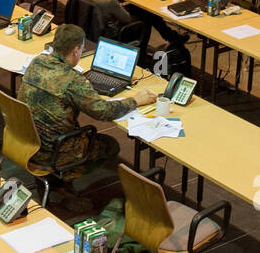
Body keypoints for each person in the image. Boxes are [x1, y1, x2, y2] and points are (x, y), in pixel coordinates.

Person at [18, 24, 156, 186]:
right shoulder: (73, 80)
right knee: (110, 145)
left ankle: (57, 182)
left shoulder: (37, 62)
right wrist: (136, 100)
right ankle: (62, 183)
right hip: (52, 152)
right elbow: (103, 112)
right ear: (76, 50)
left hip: (26, 140)